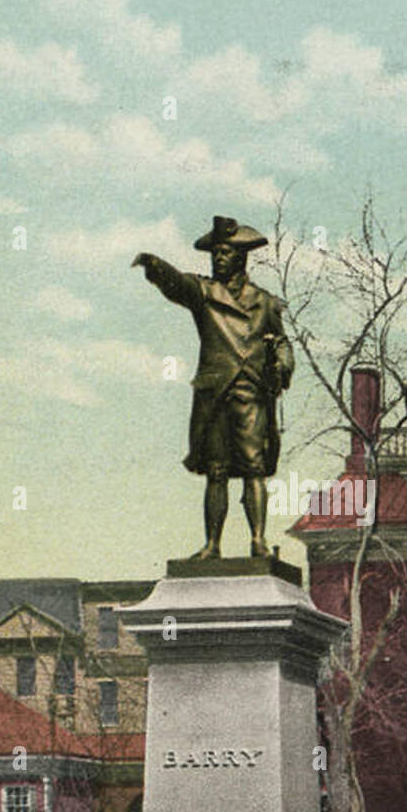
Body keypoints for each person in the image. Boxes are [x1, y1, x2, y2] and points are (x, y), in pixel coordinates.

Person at [133, 215, 294, 560]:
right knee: (216, 471)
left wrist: (281, 364)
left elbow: (282, 342)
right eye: (215, 253)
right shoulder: (205, 293)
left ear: (241, 257)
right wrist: (155, 265)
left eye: (225, 253)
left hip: (250, 392)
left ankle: (258, 541)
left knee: (254, 467)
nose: (218, 258)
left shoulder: (264, 302)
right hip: (215, 394)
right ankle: (212, 545)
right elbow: (177, 284)